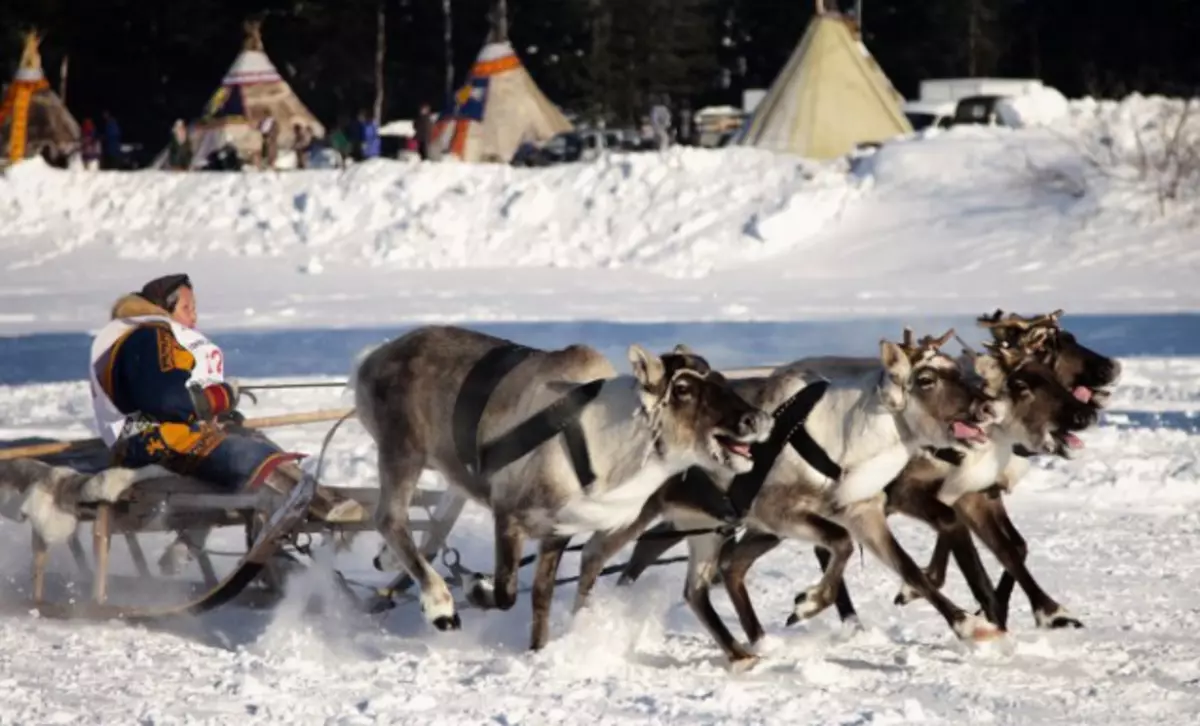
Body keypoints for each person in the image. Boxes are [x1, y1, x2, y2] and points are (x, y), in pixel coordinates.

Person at [87, 274, 363, 530]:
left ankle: (265, 544)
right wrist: (222, 396)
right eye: (187, 308)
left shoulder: (146, 337)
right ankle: (322, 506)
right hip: (157, 442)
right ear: (165, 309)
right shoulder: (152, 336)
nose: (194, 317)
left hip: (162, 438)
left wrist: (223, 414)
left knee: (251, 442)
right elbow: (166, 399)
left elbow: (169, 395)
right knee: (250, 457)